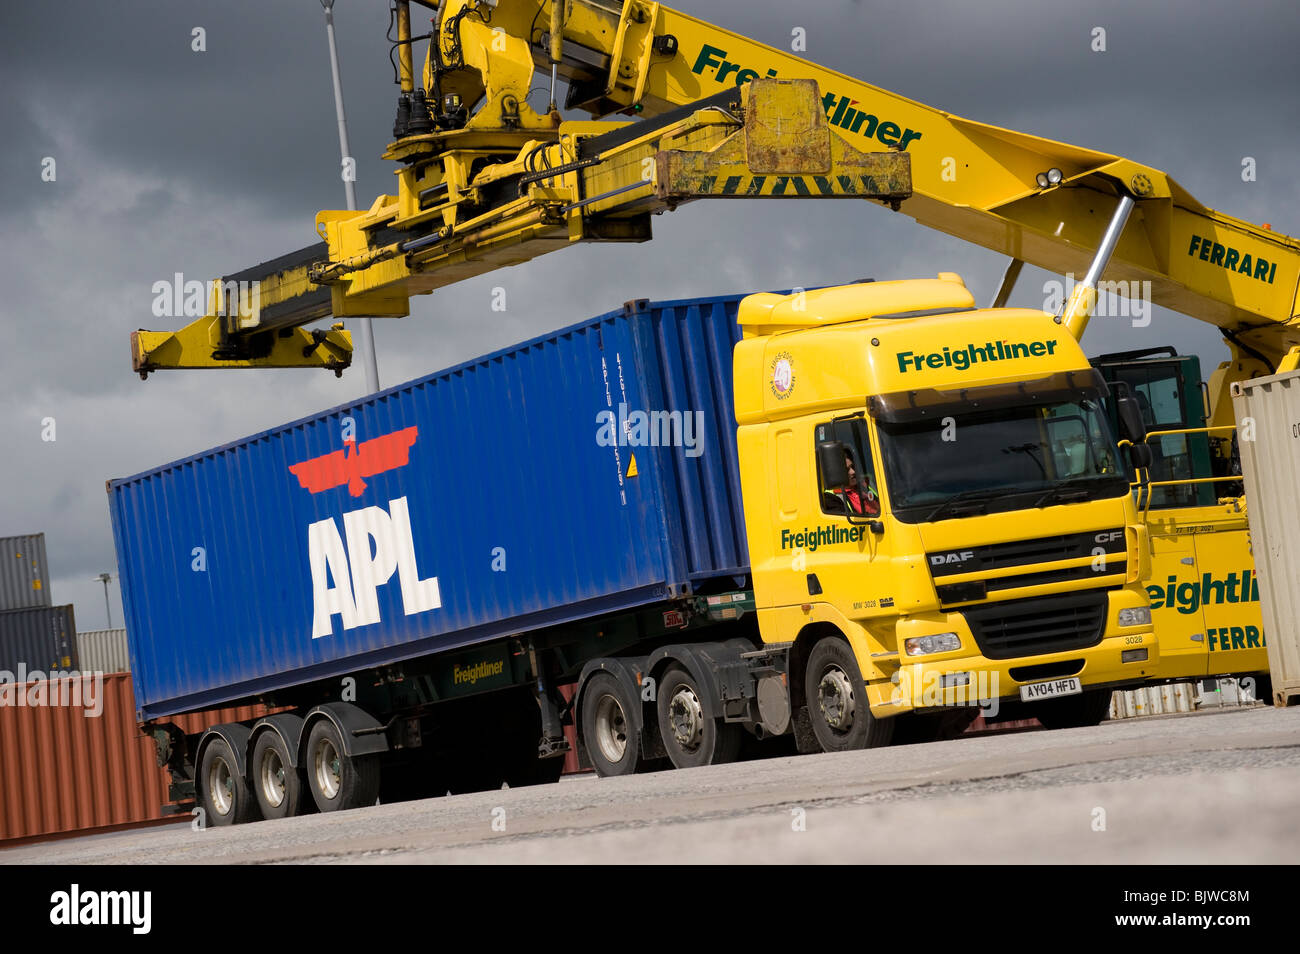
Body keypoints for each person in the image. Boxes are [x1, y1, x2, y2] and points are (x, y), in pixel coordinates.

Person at [829, 447, 880, 517]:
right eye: (846, 470)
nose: (853, 472)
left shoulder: (867, 484)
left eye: (853, 467)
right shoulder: (831, 498)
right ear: (836, 473)